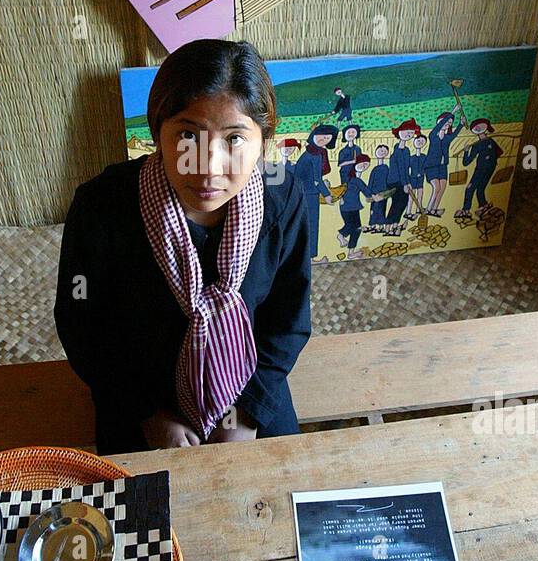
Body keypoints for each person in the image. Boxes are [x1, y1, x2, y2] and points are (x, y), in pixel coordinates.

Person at [55, 39, 311, 453]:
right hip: (139, 394)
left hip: (249, 385)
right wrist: (151, 416)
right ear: (158, 131)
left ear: (263, 141)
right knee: (144, 506)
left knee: (278, 493)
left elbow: (288, 320)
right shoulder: (102, 207)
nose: (208, 166)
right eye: (187, 135)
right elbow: (84, 327)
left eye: (234, 139)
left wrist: (246, 413)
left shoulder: (285, 200)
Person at [294, 124, 337, 259]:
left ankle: (306, 257)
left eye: (327, 138)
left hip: (302, 193)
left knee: (305, 225)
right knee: (312, 225)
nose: (323, 139)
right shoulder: (315, 155)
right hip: (310, 194)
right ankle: (311, 257)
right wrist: (327, 194)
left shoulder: (309, 152)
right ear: (314, 134)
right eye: (322, 136)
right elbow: (317, 180)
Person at [458, 118, 503, 217]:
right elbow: (466, 162)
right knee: (478, 188)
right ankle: (482, 205)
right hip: (485, 168)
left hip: (486, 168)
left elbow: (499, 152)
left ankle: (467, 210)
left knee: (473, 188)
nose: (478, 128)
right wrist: (466, 151)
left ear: (486, 127)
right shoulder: (477, 145)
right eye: (475, 127)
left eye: (480, 126)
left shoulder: (490, 141)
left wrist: (489, 159)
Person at [424, 110, 464, 216]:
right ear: (438, 121)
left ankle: (434, 209)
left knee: (442, 188)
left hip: (442, 166)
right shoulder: (433, 135)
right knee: (436, 188)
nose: (447, 123)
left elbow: (455, 134)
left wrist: (461, 123)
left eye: (450, 123)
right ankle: (428, 209)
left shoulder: (447, 138)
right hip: (431, 166)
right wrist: (453, 112)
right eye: (445, 121)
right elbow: (440, 125)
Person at [337, 156, 372, 256]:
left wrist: (373, 196)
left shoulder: (358, 180)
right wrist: (353, 160)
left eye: (366, 165)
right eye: (362, 163)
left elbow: (366, 191)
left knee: (357, 229)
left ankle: (351, 252)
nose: (364, 166)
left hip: (355, 206)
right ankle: (341, 235)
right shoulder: (347, 177)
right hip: (346, 206)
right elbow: (341, 167)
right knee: (353, 226)